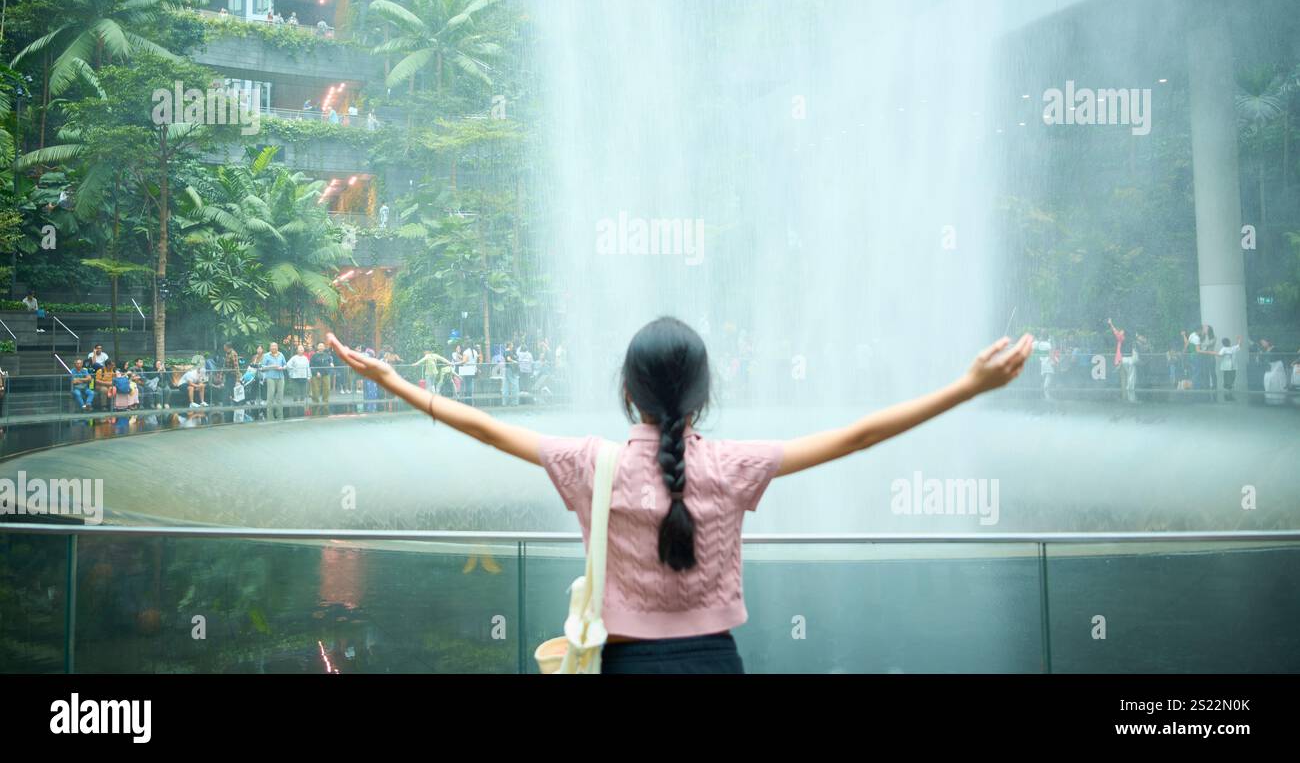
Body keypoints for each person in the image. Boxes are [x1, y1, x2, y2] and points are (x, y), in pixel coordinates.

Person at [327, 319, 1033, 673]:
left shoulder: (587, 463)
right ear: (703, 394)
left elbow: (483, 428)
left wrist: (392, 382)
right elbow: (857, 438)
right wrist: (968, 388)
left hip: (622, 661)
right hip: (714, 661)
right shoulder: (733, 465)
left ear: (627, 393)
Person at [261, 342, 287, 419]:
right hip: (271, 377)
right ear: (270, 348)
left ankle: (280, 416)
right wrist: (271, 366)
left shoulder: (281, 354)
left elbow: (285, 364)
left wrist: (283, 367)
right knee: (270, 397)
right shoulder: (266, 355)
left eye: (275, 346)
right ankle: (270, 417)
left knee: (280, 397)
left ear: (277, 347)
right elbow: (262, 367)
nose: (274, 348)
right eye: (272, 346)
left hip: (280, 377)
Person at [287, 344, 312, 417]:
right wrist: (293, 370)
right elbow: (288, 365)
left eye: (302, 349)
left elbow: (308, 367)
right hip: (295, 377)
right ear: (297, 350)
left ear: (303, 350)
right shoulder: (294, 358)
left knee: (303, 392)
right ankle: (295, 408)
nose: (301, 350)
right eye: (299, 349)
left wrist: (309, 376)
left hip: (304, 377)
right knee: (295, 391)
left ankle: (302, 408)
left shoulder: (306, 358)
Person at [310, 342, 334, 413]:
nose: (321, 347)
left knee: (326, 389)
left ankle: (325, 403)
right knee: (315, 390)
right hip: (316, 375)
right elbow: (311, 365)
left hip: (326, 374)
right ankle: (315, 403)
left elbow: (330, 361)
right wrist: (316, 372)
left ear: (324, 347)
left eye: (322, 346)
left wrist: (331, 363)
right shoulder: (314, 356)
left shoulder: (327, 355)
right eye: (319, 346)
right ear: (317, 347)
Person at [1218, 336, 1242, 402]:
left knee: (1232, 376)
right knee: (1227, 377)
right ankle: (1227, 387)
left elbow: (1239, 345)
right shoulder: (1223, 349)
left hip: (1233, 366)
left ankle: (1229, 386)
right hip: (1226, 366)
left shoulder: (1233, 348)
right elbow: (1220, 355)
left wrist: (1239, 339)